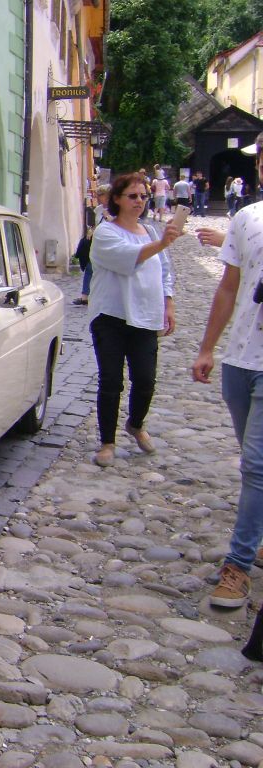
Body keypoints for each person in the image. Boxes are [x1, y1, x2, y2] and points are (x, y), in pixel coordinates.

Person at [191, 130, 263, 609]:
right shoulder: (247, 218)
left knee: (256, 465)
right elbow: (227, 289)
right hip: (241, 359)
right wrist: (207, 348)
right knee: (255, 461)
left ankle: (238, 565)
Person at [88, 172, 179, 468]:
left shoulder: (150, 232)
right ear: (117, 199)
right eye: (133, 196)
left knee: (145, 380)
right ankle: (107, 442)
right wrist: (163, 243)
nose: (139, 201)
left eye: (143, 196)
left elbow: (164, 270)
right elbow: (129, 258)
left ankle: (136, 423)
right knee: (111, 380)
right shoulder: (106, 233)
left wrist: (168, 303)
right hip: (111, 316)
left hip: (146, 316)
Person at [74, 184, 111, 305]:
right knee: (89, 267)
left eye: (101, 195)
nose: (99, 197)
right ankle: (85, 296)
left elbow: (117, 225)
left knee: (103, 270)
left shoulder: (116, 209)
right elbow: (95, 224)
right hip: (96, 242)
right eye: (98, 194)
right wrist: (91, 230)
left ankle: (101, 295)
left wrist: (108, 216)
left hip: (109, 243)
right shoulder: (98, 209)